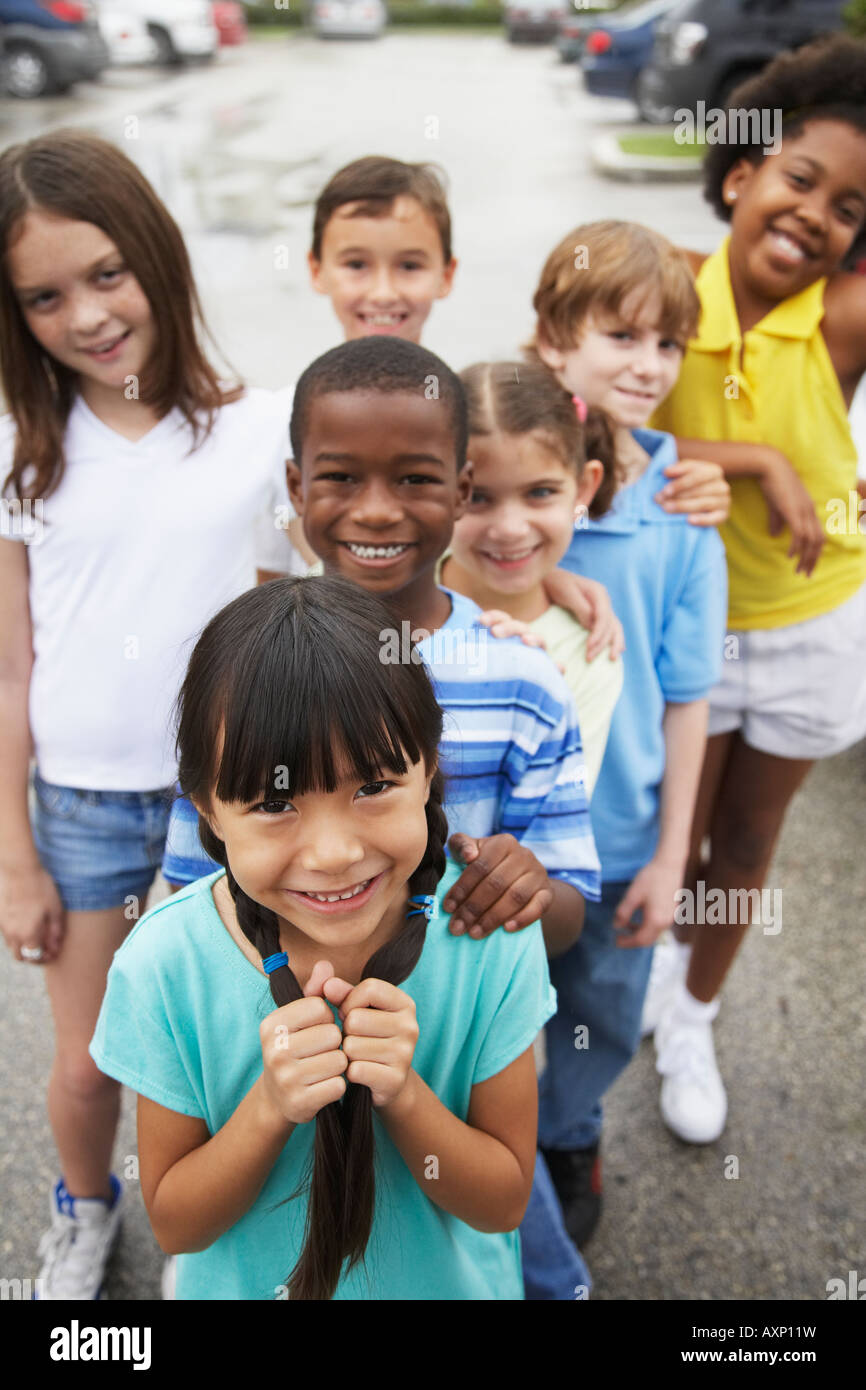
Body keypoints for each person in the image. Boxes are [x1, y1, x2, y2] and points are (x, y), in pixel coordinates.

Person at [0, 130, 303, 1300]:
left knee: (225, 1053)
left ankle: (227, 1231)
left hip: (227, 810)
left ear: (158, 260)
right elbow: (11, 669)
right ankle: (84, 1212)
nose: (86, 312)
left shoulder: (256, 429)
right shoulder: (26, 456)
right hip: (76, 808)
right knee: (85, 1068)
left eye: (107, 272)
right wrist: (15, 854)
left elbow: (300, 617)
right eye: (44, 295)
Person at [90, 576, 556, 1300]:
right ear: (208, 812)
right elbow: (178, 1227)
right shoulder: (166, 966)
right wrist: (269, 1109)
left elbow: (501, 1202)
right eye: (276, 803)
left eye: (372, 787)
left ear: (428, 767)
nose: (334, 852)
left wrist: (404, 1096)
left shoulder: (485, 936)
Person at [647, 35, 866, 1142]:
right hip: (688, 629)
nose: (814, 214)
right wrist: (757, 461)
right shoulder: (661, 295)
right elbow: (583, 427)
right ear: (738, 174)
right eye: (797, 177)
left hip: (806, 624)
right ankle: (648, 979)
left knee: (742, 849)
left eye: (847, 207)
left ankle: (691, 1013)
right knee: (672, 836)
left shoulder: (836, 315)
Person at [523, 220, 728, 1278]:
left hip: (619, 836)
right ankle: (494, 1150)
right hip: (499, 839)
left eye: (667, 344)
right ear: (553, 341)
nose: (648, 365)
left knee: (599, 1008)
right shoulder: (503, 479)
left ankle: (567, 1136)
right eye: (619, 336)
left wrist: (669, 856)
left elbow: (687, 698)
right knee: (503, 1008)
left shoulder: (683, 512)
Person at [441, 359, 624, 799]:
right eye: (478, 496)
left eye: (539, 492)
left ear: (583, 488)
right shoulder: (376, 598)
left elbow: (553, 819)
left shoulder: (588, 652)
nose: (510, 528)